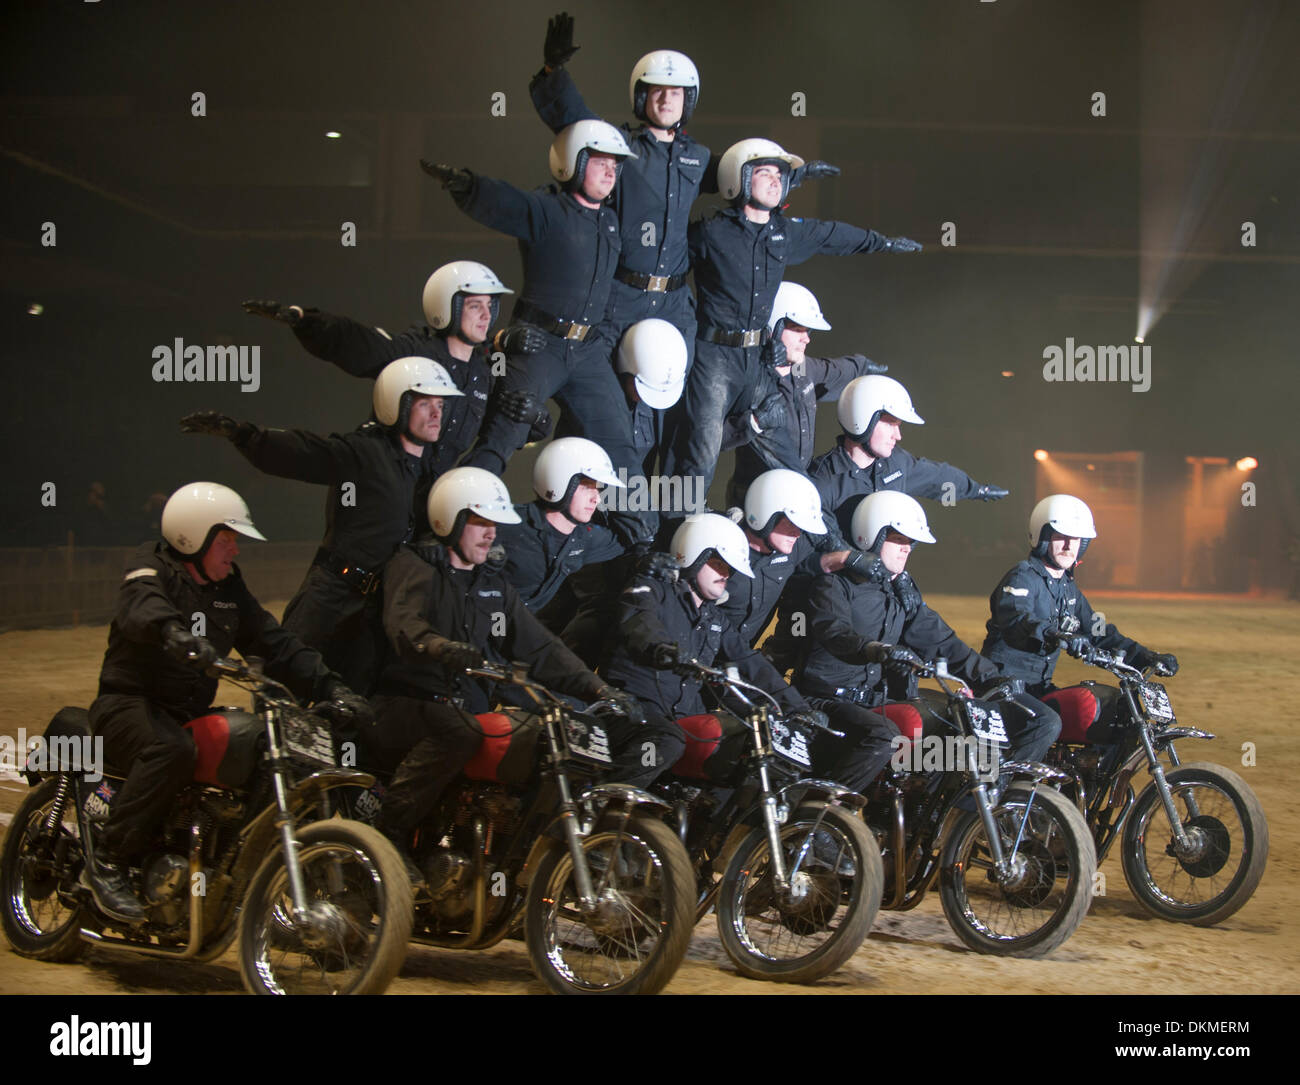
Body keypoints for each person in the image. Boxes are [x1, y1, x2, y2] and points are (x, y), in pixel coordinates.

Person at [85, 483, 366, 922]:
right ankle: (107, 863)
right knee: (172, 750)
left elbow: (276, 643)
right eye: (226, 539)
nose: (235, 549)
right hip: (128, 704)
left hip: (185, 713)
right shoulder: (150, 567)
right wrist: (175, 635)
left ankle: (225, 870)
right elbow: (144, 608)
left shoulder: (228, 588)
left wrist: (332, 687)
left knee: (251, 747)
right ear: (191, 537)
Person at [369, 467, 641, 874]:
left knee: (554, 734)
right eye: (480, 522)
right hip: (409, 703)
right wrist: (440, 647)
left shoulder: (489, 582)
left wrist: (598, 690)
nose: (491, 533)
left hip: (468, 708)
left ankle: (512, 859)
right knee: (459, 731)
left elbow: (540, 646)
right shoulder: (414, 564)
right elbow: (405, 626)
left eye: (494, 524)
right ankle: (386, 832)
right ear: (450, 519)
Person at [179, 356, 463, 694]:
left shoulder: (426, 470)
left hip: (376, 607)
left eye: (441, 404)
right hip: (331, 596)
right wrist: (244, 435)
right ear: (395, 405)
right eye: (424, 402)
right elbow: (309, 452)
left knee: (356, 698)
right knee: (286, 686)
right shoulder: (364, 452)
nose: (436, 413)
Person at [419, 123, 648, 536]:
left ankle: (636, 544)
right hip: (538, 343)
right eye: (599, 161)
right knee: (502, 438)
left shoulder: (611, 223)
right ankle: (445, 529)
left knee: (622, 447)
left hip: (588, 351)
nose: (610, 171)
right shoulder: (547, 210)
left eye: (615, 164)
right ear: (573, 164)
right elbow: (506, 202)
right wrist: (466, 185)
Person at [664, 137, 922, 502]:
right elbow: (666, 273)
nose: (774, 181)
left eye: (781, 175)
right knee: (701, 453)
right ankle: (678, 535)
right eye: (764, 173)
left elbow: (830, 235)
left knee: (786, 456)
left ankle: (811, 529)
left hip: (757, 358)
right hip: (714, 357)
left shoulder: (783, 233)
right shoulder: (710, 232)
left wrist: (881, 242)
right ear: (739, 178)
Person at [792, 492, 1061, 793]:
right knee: (882, 737)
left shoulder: (900, 594)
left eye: (910, 542)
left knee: (956, 721)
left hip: (875, 700)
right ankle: (822, 816)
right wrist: (875, 649)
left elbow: (941, 640)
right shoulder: (833, 585)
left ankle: (925, 812)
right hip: (829, 698)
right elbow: (834, 632)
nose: (906, 549)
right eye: (898, 539)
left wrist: (992, 677)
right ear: (869, 535)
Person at [242, 261, 546, 475]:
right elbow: (362, 344)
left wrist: (536, 419)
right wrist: (307, 322)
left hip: (433, 507)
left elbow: (508, 428)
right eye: (474, 306)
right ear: (446, 307)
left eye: (490, 306)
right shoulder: (415, 353)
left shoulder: (485, 374)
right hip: (384, 491)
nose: (486, 315)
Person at [598, 513, 815, 789]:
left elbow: (751, 662)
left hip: (682, 722)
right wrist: (663, 650)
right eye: (717, 563)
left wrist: (798, 708)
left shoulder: (715, 619)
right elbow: (641, 623)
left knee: (743, 753)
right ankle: (602, 802)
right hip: (632, 713)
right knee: (666, 741)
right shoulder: (651, 590)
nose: (725, 574)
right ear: (691, 557)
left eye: (729, 568)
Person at [982, 494, 1178, 702]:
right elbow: (1017, 617)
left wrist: (1146, 657)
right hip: (1003, 687)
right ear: (1042, 537)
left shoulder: (1067, 589)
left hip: (1037, 688)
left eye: (1075, 539)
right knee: (1049, 724)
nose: (1069, 546)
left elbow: (1098, 632)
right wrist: (1055, 634)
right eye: (1061, 536)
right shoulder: (1023, 577)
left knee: (1100, 713)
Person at [724, 281, 889, 510]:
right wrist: (754, 422)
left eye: (807, 331)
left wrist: (865, 367)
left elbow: (841, 370)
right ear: (774, 328)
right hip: (754, 502)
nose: (807, 339)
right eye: (798, 329)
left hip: (796, 495)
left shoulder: (805, 369)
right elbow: (709, 438)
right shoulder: (747, 379)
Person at [810, 374, 1009, 543]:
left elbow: (937, 478)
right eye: (890, 424)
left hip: (882, 580)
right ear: (861, 419)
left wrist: (976, 489)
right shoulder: (823, 480)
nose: (898, 435)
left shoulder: (896, 463)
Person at [495, 437, 628, 626]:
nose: (596, 500)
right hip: (481, 628)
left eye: (597, 489)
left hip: (519, 634)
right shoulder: (507, 524)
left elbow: (633, 534)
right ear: (559, 482)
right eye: (586, 487)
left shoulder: (584, 539)